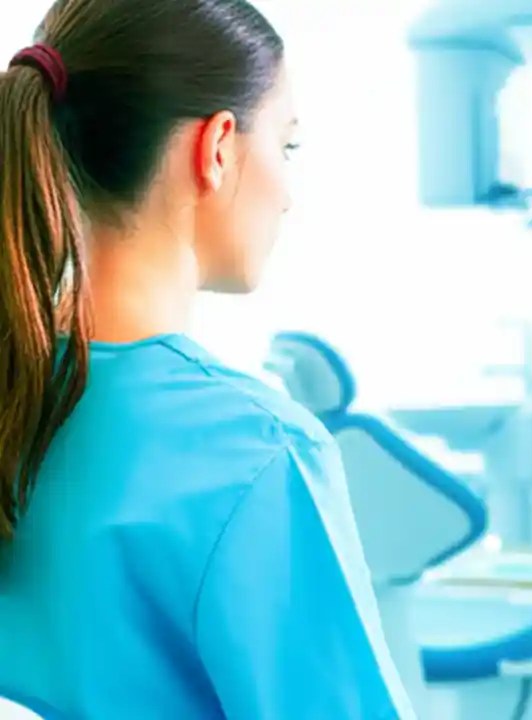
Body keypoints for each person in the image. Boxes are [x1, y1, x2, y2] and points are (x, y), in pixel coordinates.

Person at [0, 1, 415, 717]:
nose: (286, 195)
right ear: (217, 148)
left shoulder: (17, 398)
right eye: (286, 147)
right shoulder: (255, 453)